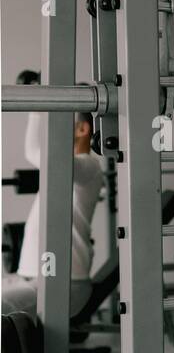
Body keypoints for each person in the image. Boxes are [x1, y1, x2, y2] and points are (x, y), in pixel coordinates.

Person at [1, 75, 106, 319]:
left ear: (82, 129)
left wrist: (37, 104)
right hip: (34, 280)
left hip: (64, 285)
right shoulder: (65, 169)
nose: (54, 122)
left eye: (64, 114)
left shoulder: (88, 165)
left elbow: (35, 152)